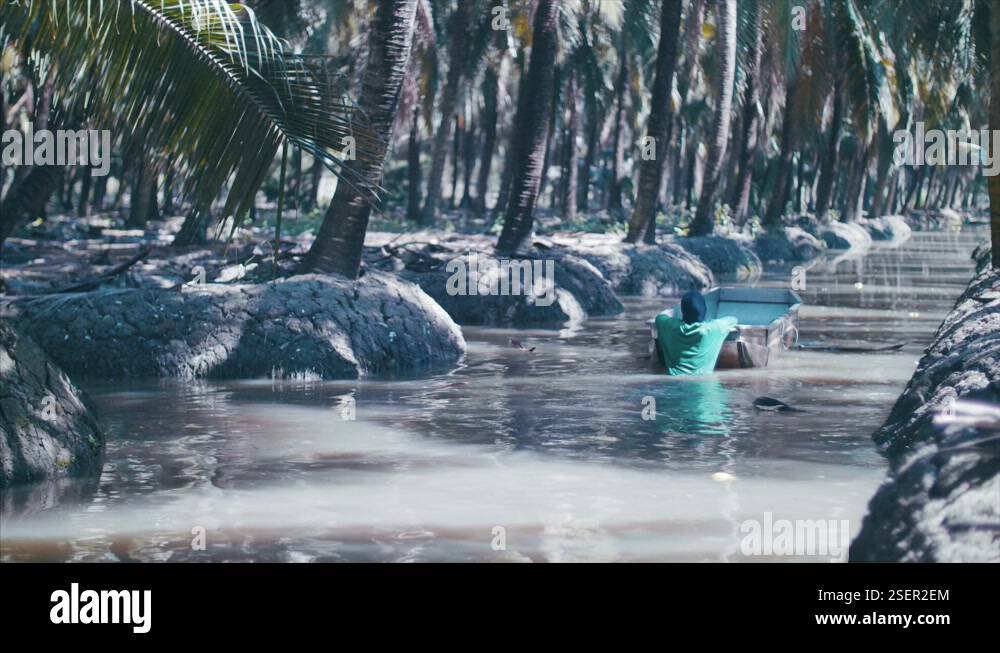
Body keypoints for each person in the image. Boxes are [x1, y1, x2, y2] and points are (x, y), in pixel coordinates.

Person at [654, 290, 737, 376]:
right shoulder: (713, 329)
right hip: (705, 386)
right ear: (705, 310)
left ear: (682, 311)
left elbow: (659, 317)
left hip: (673, 383)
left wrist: (676, 321)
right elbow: (733, 319)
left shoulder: (670, 327)